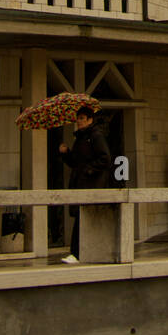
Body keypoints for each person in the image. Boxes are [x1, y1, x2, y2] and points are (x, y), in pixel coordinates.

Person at [58, 105, 111, 262]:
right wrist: (66, 153)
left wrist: (89, 170)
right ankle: (79, 253)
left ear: (90, 120)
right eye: (78, 119)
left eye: (82, 118)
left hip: (91, 184)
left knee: (83, 217)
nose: (79, 122)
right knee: (82, 217)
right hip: (80, 183)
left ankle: (77, 253)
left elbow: (106, 158)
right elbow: (75, 162)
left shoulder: (95, 136)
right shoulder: (80, 138)